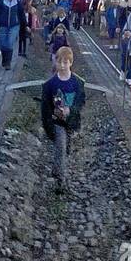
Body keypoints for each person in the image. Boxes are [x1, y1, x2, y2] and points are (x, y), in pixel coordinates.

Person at [41, 46, 86, 192]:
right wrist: (48, 124)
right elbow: (45, 106)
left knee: (65, 147)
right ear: (55, 62)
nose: (62, 65)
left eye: (65, 62)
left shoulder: (78, 83)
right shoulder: (50, 84)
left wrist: (71, 110)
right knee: (60, 144)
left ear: (71, 63)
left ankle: (57, 168)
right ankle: (61, 179)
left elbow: (80, 102)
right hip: (56, 122)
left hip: (71, 121)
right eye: (59, 62)